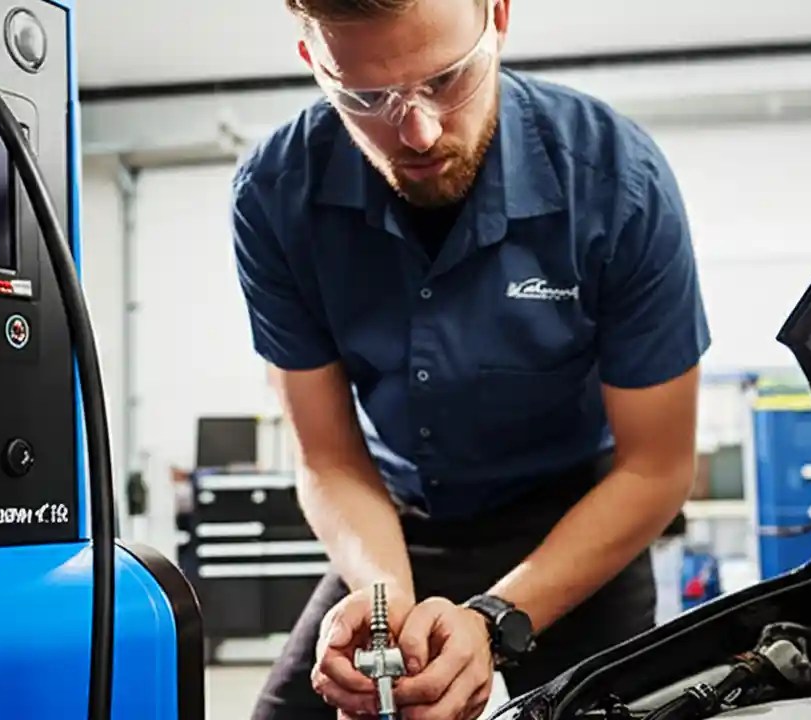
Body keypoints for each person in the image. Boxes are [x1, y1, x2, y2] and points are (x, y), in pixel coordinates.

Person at [230, 0, 710, 717]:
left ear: (500, 16)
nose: (416, 131)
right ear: (313, 65)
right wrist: (384, 603)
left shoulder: (617, 180)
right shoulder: (274, 194)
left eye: (447, 79)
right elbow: (327, 457)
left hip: (579, 527)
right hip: (394, 524)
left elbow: (657, 467)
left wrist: (493, 617)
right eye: (365, 97)